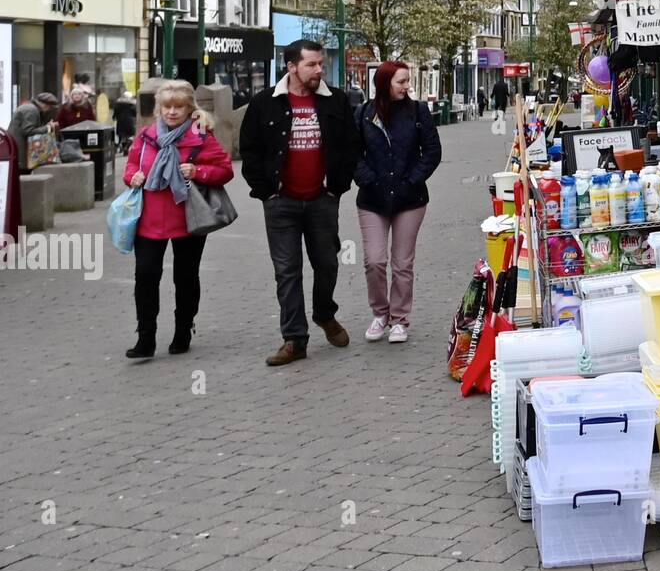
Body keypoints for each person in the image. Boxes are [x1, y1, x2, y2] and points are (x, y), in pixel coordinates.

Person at [240, 39, 361, 367]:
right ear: (291, 66)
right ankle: (294, 339)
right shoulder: (266, 102)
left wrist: (337, 187)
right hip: (281, 202)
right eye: (311, 64)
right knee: (287, 271)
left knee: (327, 264)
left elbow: (352, 144)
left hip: (322, 200)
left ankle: (324, 313)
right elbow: (249, 150)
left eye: (320, 64)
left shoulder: (335, 100)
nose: (319, 70)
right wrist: (266, 191)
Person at [122, 80, 234, 359]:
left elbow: (225, 170)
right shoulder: (146, 136)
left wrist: (197, 171)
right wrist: (132, 177)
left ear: (189, 109)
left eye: (178, 107)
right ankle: (145, 338)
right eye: (167, 107)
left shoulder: (201, 137)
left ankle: (183, 329)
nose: (172, 112)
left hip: (188, 218)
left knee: (185, 277)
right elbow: (132, 166)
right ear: (159, 108)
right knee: (146, 277)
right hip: (149, 219)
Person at [354, 61, 441, 343]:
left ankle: (400, 319)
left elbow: (431, 151)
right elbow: (352, 153)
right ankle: (380, 314)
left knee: (402, 263)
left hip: (410, 199)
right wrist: (368, 180)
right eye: (401, 82)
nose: (407, 86)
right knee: (375, 260)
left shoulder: (418, 112)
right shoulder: (364, 114)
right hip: (373, 199)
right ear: (385, 83)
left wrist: (412, 180)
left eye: (407, 81)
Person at [7, 92, 59, 171]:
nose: (48, 110)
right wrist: (48, 127)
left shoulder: (30, 107)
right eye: (50, 108)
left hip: (18, 148)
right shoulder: (31, 110)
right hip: (21, 150)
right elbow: (28, 131)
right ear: (46, 105)